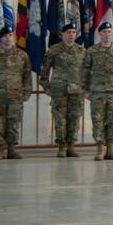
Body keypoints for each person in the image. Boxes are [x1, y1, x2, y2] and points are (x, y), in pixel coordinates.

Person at [0, 26, 32, 160]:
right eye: (5, 36)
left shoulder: (22, 55)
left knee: (13, 123)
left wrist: (26, 93)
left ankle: (12, 150)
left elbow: (27, 76)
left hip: (16, 97)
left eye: (10, 35)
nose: (8, 38)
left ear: (14, 37)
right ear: (0, 38)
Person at [83, 20, 113, 161]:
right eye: (104, 32)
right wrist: (86, 90)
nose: (107, 34)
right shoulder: (92, 51)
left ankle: (110, 149)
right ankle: (100, 149)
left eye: (109, 32)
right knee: (98, 120)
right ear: (100, 34)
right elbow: (85, 71)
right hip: (98, 91)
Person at [42, 22, 87, 157]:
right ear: (62, 34)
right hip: (59, 90)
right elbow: (45, 70)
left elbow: (87, 70)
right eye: (68, 33)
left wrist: (86, 87)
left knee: (74, 119)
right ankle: (62, 146)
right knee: (60, 119)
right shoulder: (53, 50)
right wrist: (46, 87)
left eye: (73, 32)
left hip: (76, 91)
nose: (71, 35)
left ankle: (71, 146)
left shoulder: (82, 51)